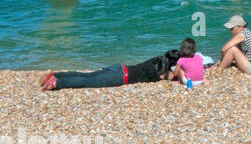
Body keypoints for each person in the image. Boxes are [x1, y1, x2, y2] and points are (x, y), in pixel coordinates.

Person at [40, 49, 181, 91]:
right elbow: (175, 76)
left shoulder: (156, 60)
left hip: (120, 67)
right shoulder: (163, 73)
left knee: (88, 75)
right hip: (119, 78)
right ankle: (57, 83)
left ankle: (56, 74)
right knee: (87, 82)